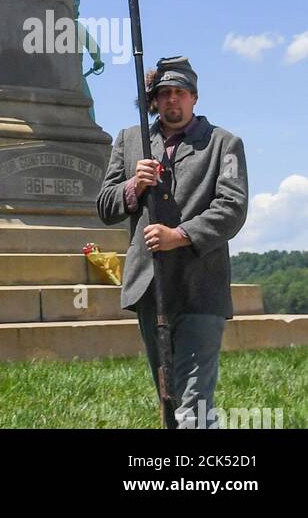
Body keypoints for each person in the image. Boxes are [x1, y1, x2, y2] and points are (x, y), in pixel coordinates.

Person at [96, 57, 248, 428]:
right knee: (169, 399)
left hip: (200, 289)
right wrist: (134, 186)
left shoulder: (223, 143)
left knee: (193, 404)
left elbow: (232, 208)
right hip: (151, 288)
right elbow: (105, 205)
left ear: (194, 97)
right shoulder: (131, 141)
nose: (172, 101)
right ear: (154, 100)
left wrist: (179, 236)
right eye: (164, 94)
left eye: (180, 93)